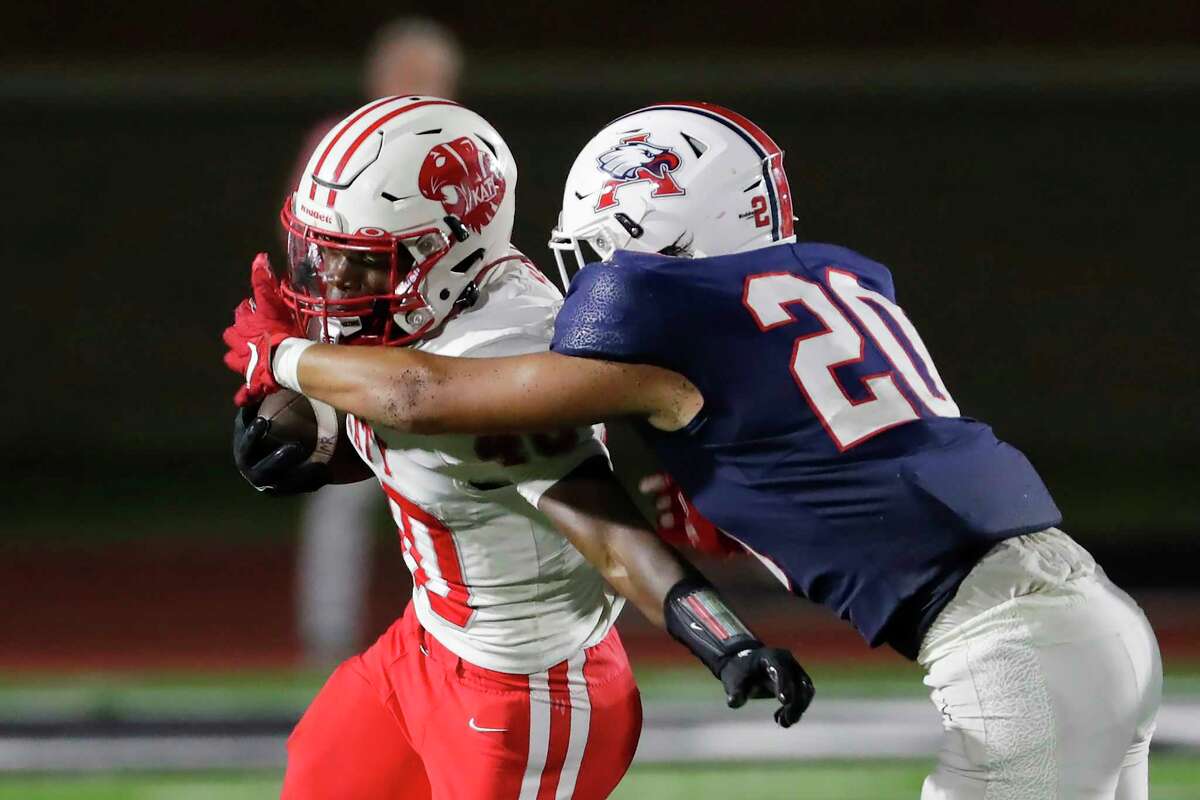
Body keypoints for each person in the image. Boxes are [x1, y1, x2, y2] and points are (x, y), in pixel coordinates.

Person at [227, 101, 1163, 799]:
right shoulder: (841, 281)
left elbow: (430, 399)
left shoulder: (660, 318)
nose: (592, 282)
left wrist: (285, 355)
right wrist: (720, 495)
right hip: (1087, 612)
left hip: (1008, 653)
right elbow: (846, 459)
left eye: (606, 251)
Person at [225, 98, 812, 799]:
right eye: (330, 255)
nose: (336, 283)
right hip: (425, 647)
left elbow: (609, 537)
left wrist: (730, 644)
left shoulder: (503, 347)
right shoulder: (433, 305)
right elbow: (418, 445)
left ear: (445, 251)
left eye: (363, 263)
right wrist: (306, 443)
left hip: (527, 696)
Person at [291, 17, 464, 665]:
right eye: (409, 74)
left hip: (447, 350)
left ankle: (466, 634)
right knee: (341, 491)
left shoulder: (464, 150)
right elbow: (311, 257)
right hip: (361, 347)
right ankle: (327, 639)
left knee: (465, 488)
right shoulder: (338, 146)